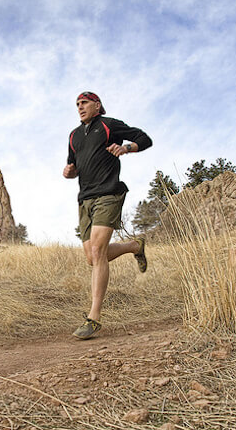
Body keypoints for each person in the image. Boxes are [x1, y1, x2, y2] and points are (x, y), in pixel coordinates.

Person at [63, 91, 153, 340]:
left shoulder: (109, 125)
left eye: (84, 103)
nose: (80, 107)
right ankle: (135, 246)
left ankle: (94, 318)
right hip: (85, 199)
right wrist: (69, 172)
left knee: (99, 251)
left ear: (97, 105)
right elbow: (73, 167)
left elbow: (144, 139)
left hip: (109, 193)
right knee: (92, 257)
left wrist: (126, 148)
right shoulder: (74, 136)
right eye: (77, 104)